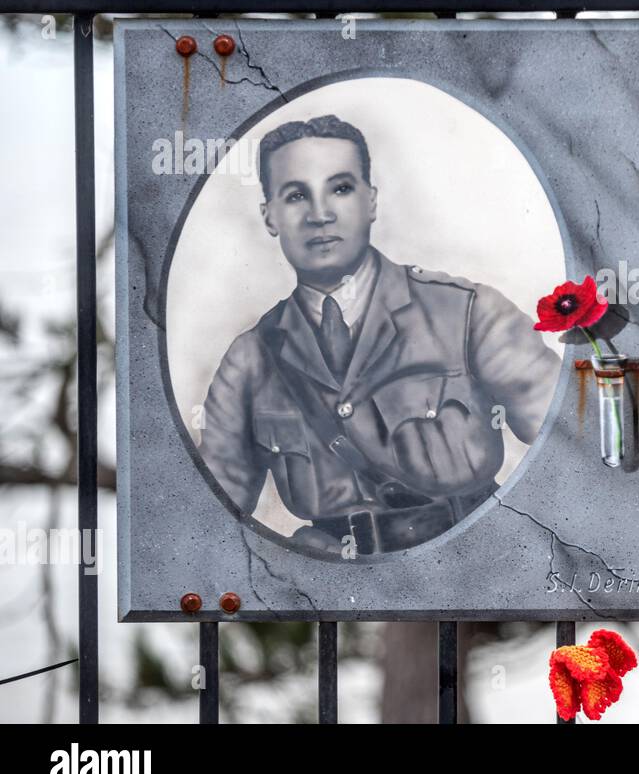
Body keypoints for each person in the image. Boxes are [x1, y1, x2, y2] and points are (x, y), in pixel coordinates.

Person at [199, 114, 560, 555]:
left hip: (477, 570)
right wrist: (286, 569)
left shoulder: (466, 313)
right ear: (269, 215)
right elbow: (208, 521)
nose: (320, 214)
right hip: (338, 599)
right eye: (296, 195)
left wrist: (530, 547)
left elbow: (572, 443)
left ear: (371, 201)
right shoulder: (250, 360)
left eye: (341, 188)